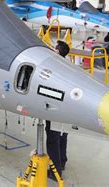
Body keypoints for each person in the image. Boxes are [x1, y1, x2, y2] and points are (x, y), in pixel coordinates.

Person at [46, 40, 70, 180]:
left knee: (52, 140)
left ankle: (55, 172)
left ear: (58, 52)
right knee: (63, 135)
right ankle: (62, 162)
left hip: (54, 108)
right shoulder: (66, 65)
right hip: (66, 109)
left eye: (54, 48)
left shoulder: (54, 67)